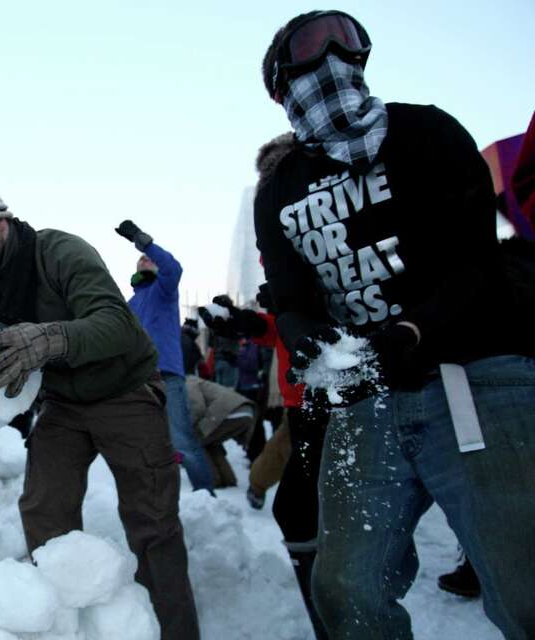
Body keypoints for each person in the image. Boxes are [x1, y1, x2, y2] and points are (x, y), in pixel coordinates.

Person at [256, 11, 535, 638]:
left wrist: (410, 330)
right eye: (308, 49)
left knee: (525, 584)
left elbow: (476, 260)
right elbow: (293, 295)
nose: (333, 61)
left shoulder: (425, 131)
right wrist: (303, 334)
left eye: (347, 44)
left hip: (476, 377)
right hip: (364, 397)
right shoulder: (278, 190)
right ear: (280, 84)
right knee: (347, 588)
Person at [0, 177, 199, 640]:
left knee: (152, 524)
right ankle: (62, 626)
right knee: (44, 509)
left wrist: (49, 338)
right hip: (62, 405)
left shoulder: (58, 251)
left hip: (125, 389)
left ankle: (175, 632)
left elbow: (116, 325)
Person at [119, 220, 215, 495]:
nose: (145, 259)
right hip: (136, 379)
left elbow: (174, 268)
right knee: (142, 441)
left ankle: (207, 499)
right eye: (141, 259)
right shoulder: (130, 303)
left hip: (167, 376)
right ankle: (152, 495)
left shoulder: (164, 290)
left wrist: (143, 241)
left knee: (181, 441)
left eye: (150, 258)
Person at [184, 375, 254, 487]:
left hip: (229, 412)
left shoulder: (187, 382)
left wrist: (189, 429)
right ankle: (229, 479)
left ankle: (212, 480)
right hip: (246, 411)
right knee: (211, 443)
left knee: (196, 442)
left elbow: (197, 407)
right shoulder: (198, 381)